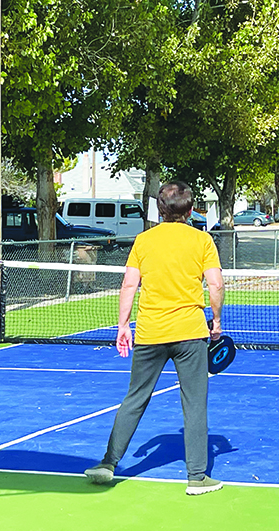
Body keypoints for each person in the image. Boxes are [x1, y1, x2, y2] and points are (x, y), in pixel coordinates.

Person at [84, 182, 226, 496]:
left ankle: (108, 463)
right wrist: (216, 322)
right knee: (195, 406)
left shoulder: (143, 240)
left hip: (149, 332)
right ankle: (197, 478)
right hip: (190, 334)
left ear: (159, 211)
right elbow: (215, 285)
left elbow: (128, 285)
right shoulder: (202, 240)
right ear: (190, 211)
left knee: (135, 399)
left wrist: (123, 325)